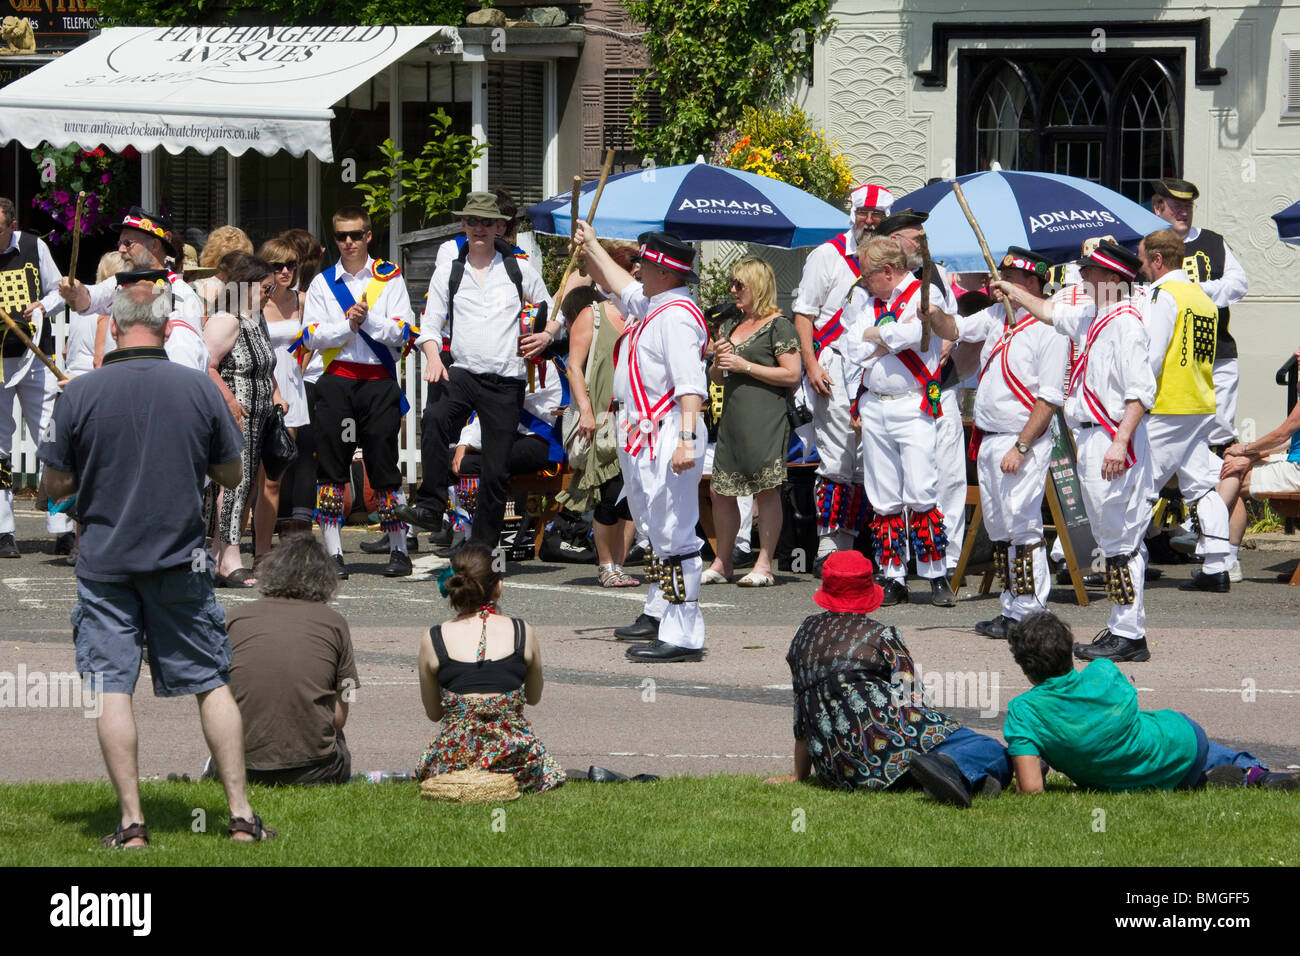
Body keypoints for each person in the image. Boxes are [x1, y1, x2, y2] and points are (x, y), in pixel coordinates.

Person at [37, 279, 275, 846]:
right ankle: (241, 816)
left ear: (112, 327)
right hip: (182, 560)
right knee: (210, 681)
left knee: (111, 686)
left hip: (105, 562)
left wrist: (82, 475)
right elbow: (233, 476)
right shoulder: (198, 390)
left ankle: (132, 824)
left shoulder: (80, 394)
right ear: (168, 329)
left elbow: (54, 484)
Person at [996, 240, 1157, 663]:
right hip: (1090, 436)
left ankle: (1129, 632)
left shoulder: (1126, 323)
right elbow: (1049, 312)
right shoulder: (1092, 313)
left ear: (1112, 280)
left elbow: (1140, 394)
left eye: (1090, 272)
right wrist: (1013, 290)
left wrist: (1121, 442)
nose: (1082, 278)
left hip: (1109, 436)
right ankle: (1123, 626)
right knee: (1110, 536)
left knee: (1120, 538)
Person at [769, 550, 1011, 807]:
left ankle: (953, 772)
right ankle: (954, 768)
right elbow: (914, 699)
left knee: (947, 748)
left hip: (839, 771)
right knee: (985, 746)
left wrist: (800, 775)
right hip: (889, 748)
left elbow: (802, 711)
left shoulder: (801, 634)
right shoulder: (881, 635)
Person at [574, 224, 710, 661]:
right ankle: (660, 612)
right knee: (653, 529)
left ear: (666, 273)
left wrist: (687, 441)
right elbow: (620, 283)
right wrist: (591, 246)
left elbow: (691, 386)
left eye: (647, 264)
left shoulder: (676, 316)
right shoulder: (654, 304)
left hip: (670, 428)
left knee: (676, 531)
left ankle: (684, 631)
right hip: (643, 431)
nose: (639, 268)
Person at [925, 247, 1069, 638]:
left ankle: (1031, 611)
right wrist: (931, 312)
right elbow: (954, 329)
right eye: (998, 276)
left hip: (1022, 441)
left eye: (1010, 278)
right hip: (988, 440)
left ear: (1034, 283)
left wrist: (1021, 446)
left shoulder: (1051, 328)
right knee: (1001, 529)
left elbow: (1050, 398)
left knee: (1023, 526)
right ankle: (1011, 608)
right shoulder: (993, 317)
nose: (998, 283)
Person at [406, 192, 557, 555]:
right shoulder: (449, 271)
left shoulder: (520, 270)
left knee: (495, 469)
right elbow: (428, 325)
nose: (479, 228)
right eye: (472, 221)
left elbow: (553, 313)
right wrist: (432, 357)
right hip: (462, 372)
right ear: (463, 225)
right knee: (436, 417)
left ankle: (484, 547)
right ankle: (430, 503)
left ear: (499, 228)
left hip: (506, 381)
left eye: (487, 222)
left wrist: (546, 334)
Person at [1005, 612, 1299, 792]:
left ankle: (1201, 778)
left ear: (1024, 667)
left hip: (1119, 782)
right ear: (1069, 651)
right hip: (1178, 747)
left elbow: (1031, 789)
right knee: (1172, 734)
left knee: (1146, 741)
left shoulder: (1024, 712)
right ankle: (1254, 773)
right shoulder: (1103, 670)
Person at [300, 206, 416, 579]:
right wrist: (345, 326)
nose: (347, 242)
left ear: (368, 236)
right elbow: (310, 335)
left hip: (379, 381)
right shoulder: (321, 283)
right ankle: (334, 555)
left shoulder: (390, 278)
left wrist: (370, 321)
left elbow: (404, 333)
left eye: (355, 235)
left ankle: (399, 550)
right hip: (334, 381)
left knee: (384, 466)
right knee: (331, 467)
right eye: (340, 236)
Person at [843, 235, 956, 608]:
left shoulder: (927, 296)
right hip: (875, 405)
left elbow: (918, 335)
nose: (863, 280)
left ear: (887, 271)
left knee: (922, 490)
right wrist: (884, 339)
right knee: (883, 495)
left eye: (867, 274)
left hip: (914, 404)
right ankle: (892, 575)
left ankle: (935, 573)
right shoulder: (868, 302)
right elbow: (851, 345)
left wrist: (878, 335)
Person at [792, 183, 894, 574]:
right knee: (836, 456)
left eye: (877, 216)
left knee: (869, 460)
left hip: (877, 365)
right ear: (852, 215)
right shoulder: (827, 255)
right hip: (833, 363)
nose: (869, 221)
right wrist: (812, 365)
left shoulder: (893, 262)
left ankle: (860, 547)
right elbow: (804, 314)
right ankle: (829, 548)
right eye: (863, 214)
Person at [415, 542, 564, 792]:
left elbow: (434, 713)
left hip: (455, 764)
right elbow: (534, 697)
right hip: (515, 763)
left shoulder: (434, 638)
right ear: (499, 587)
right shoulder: (521, 631)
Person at [1136, 228, 1234, 593]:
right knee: (1202, 482)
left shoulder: (1164, 294)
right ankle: (1216, 565)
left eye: (1144, 259)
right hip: (1199, 402)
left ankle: (1121, 559)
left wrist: (1134, 398)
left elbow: (1154, 355)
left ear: (1158, 260)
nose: (1141, 267)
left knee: (1139, 484)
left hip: (1169, 404)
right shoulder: (1202, 296)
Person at [877, 208, 968, 580]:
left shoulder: (937, 276)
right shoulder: (874, 285)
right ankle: (894, 566)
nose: (923, 243)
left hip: (937, 389)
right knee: (892, 483)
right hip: (892, 395)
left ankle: (943, 562)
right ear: (895, 241)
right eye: (917, 237)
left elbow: (951, 329)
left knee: (945, 476)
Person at [226, 535, 358, 785]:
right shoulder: (334, 623)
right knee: (338, 740)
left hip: (239, 765)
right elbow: (340, 716)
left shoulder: (235, 618)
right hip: (314, 769)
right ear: (325, 579)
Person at [704, 257, 801, 587]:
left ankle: (764, 563)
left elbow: (792, 374)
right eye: (731, 283)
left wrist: (744, 365)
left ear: (757, 286)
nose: (732, 290)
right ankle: (724, 560)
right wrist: (720, 362)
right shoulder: (730, 325)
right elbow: (716, 378)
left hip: (765, 416)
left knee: (765, 490)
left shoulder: (779, 325)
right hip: (733, 417)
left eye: (738, 284)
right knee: (720, 491)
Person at [0, 196, 76, 559]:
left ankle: (62, 527)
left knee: (51, 437)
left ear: (11, 226)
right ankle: (2, 529)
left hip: (35, 358)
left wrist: (43, 305)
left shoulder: (33, 246)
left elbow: (58, 291)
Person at [203, 254, 286, 587]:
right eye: (264, 288)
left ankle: (220, 556)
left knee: (242, 487)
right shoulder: (226, 319)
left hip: (258, 416)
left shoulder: (253, 319)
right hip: (234, 417)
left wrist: (276, 395)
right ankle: (229, 558)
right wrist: (231, 403)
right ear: (246, 286)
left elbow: (265, 367)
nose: (269, 294)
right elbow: (206, 365)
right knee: (231, 487)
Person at [1149, 178, 1249, 448]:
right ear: (1158, 208)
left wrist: (1193, 293)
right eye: (1176, 206)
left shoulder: (1212, 242)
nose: (1184, 212)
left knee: (1220, 428)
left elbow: (1238, 285)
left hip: (1217, 351)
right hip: (1171, 357)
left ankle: (1217, 481)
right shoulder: (1147, 246)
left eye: (1188, 206)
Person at [49, 206, 208, 374]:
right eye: (120, 243)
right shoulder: (119, 282)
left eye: (128, 243)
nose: (121, 250)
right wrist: (75, 290)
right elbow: (89, 299)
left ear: (154, 245)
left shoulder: (180, 293)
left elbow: (188, 356)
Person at [556, 267, 639, 588]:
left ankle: (618, 563)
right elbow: (573, 366)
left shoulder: (645, 315)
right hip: (604, 419)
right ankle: (606, 564)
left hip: (641, 419)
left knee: (632, 497)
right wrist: (587, 411)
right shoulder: (593, 315)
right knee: (611, 492)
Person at [253, 236, 311, 555]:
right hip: (261, 385)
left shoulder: (302, 300)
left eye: (292, 265)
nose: (286, 271)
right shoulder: (255, 301)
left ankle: (266, 553)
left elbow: (316, 341)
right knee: (249, 479)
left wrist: (305, 366)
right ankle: (241, 548)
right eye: (278, 266)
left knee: (275, 476)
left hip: (292, 387)